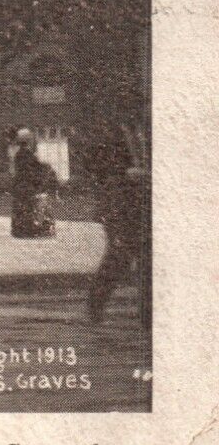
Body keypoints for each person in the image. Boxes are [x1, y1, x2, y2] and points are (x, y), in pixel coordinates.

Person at [86, 128, 151, 327]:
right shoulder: (114, 131)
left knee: (145, 259)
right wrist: (125, 173)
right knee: (120, 256)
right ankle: (95, 306)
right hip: (120, 202)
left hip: (138, 203)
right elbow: (96, 164)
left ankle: (148, 314)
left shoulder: (137, 130)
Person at [10, 128, 58, 238]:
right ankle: (27, 230)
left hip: (21, 185)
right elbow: (32, 168)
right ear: (28, 141)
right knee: (28, 206)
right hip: (26, 185)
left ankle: (21, 229)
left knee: (23, 207)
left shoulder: (20, 153)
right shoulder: (26, 153)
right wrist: (45, 167)